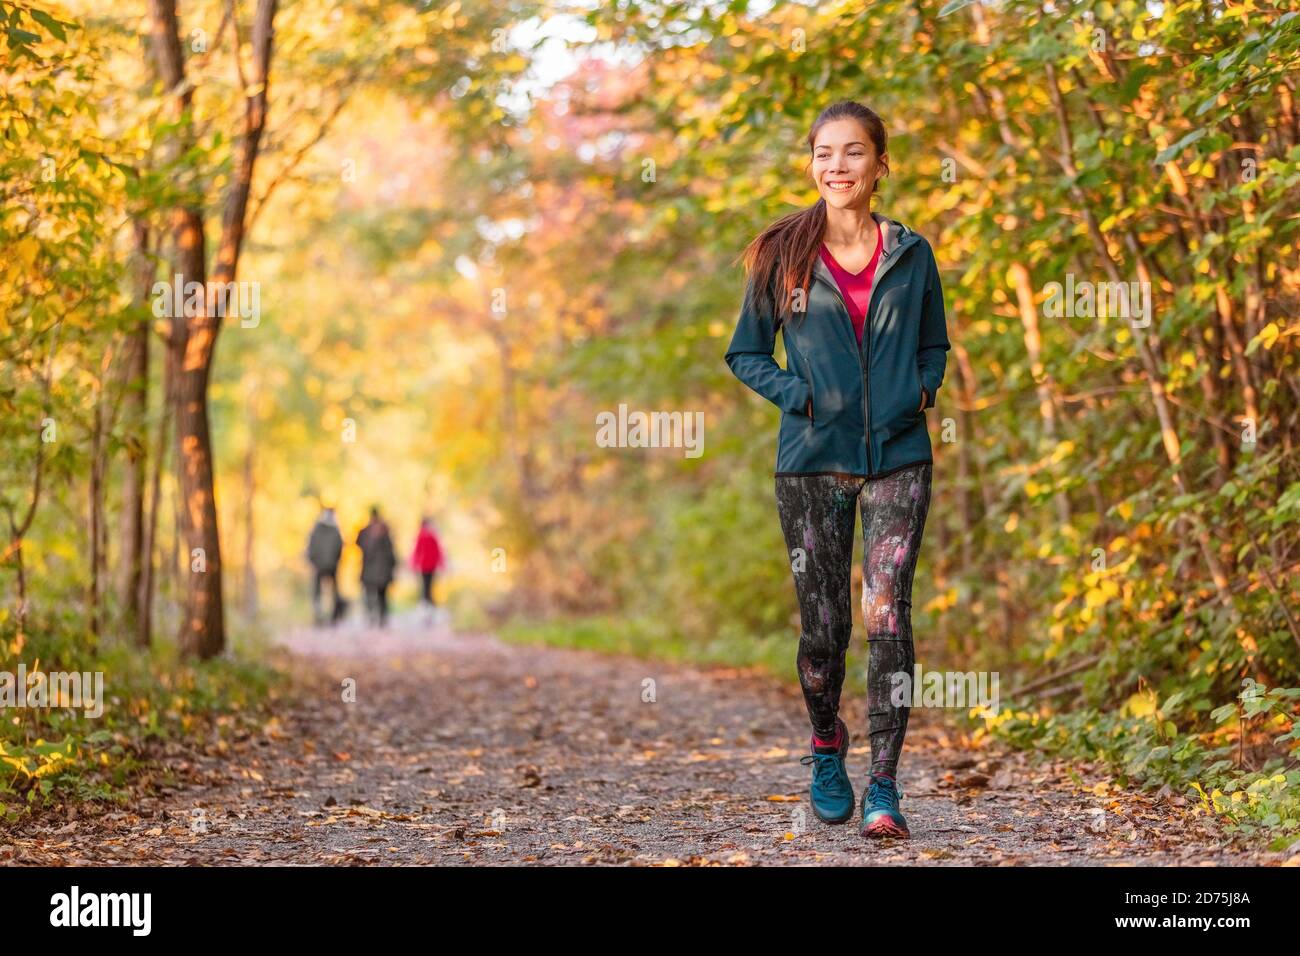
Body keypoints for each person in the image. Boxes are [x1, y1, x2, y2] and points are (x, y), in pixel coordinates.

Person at [724, 100, 950, 840]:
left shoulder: (911, 254)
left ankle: (884, 785)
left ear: (881, 164)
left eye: (854, 153)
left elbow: (934, 346)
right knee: (825, 628)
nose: (838, 167)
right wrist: (803, 398)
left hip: (898, 456)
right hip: (812, 465)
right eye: (825, 154)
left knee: (889, 616)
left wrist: (920, 390)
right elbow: (746, 354)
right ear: (811, 164)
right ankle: (827, 743)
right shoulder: (782, 254)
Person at [356, 507, 396, 628]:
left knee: (370, 594)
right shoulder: (385, 531)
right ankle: (381, 617)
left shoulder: (365, 531)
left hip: (369, 569)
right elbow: (391, 553)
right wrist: (392, 566)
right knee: (382, 596)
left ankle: (372, 616)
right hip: (382, 570)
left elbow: (358, 544)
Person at [306, 506, 344, 626]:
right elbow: (340, 547)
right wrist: (336, 561)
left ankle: (322, 615)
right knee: (331, 592)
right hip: (329, 566)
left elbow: (310, 548)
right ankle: (329, 616)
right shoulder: (335, 529)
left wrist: (313, 561)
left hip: (321, 566)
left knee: (320, 593)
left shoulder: (316, 529)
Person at [409, 516, 446, 618]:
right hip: (424, 566)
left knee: (428, 586)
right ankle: (426, 605)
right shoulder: (421, 536)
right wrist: (414, 564)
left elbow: (437, 551)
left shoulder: (431, 537)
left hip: (431, 565)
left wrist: (441, 564)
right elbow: (417, 552)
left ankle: (428, 605)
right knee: (425, 586)